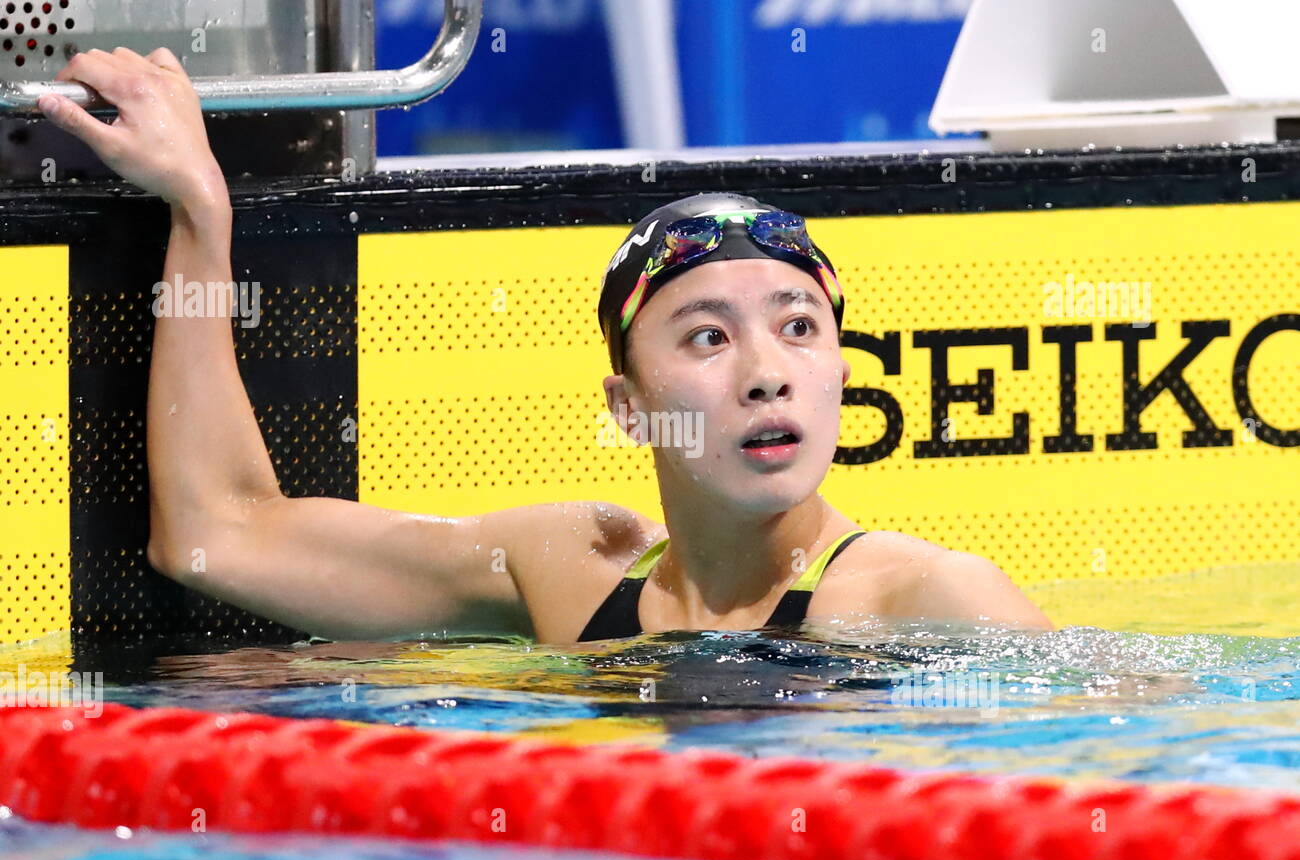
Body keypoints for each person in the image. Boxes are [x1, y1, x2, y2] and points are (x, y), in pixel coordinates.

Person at [39, 48, 1053, 646]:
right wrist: (199, 208)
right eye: (708, 334)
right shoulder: (570, 574)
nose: (765, 370)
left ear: (839, 368)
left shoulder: (924, 597)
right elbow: (218, 533)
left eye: (798, 326)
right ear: (627, 405)